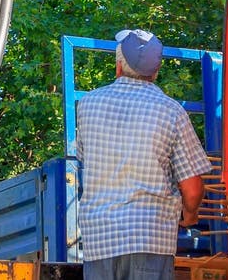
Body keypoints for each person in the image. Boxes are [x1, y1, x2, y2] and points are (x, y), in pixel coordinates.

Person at [76, 28, 212, 280]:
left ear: (118, 66)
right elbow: (192, 189)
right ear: (155, 71)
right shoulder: (171, 112)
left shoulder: (86, 105)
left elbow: (83, 159)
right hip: (150, 240)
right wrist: (190, 215)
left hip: (99, 242)